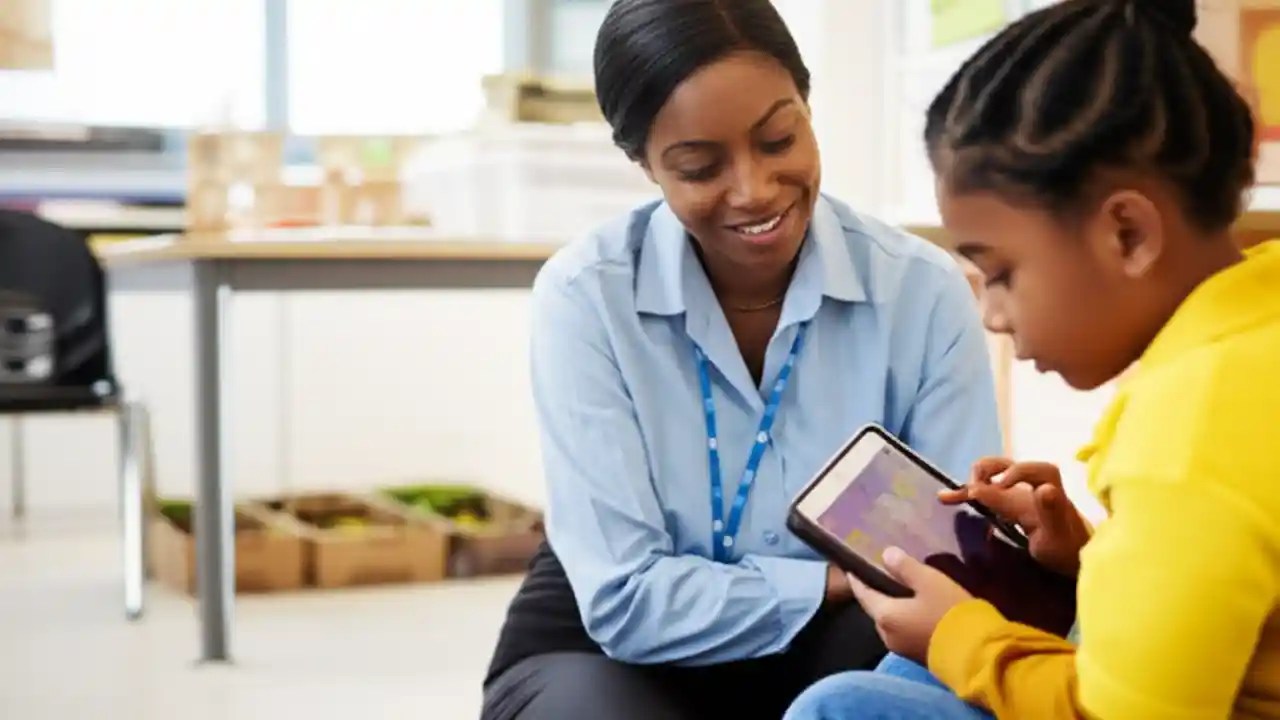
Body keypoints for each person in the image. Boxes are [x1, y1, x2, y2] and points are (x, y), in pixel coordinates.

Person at [479, 1, 1003, 718]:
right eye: (700, 167)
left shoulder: (919, 290)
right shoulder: (587, 297)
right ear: (644, 164)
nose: (754, 190)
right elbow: (625, 600)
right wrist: (832, 579)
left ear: (808, 108)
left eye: (779, 139)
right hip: (613, 648)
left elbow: (954, 567)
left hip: (846, 629)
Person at [785, 0, 1280, 718]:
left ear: (1129, 234)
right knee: (912, 669)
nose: (991, 312)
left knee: (842, 708)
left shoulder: (1189, 423)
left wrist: (962, 637)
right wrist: (1092, 560)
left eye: (1003, 272)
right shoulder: (1254, 326)